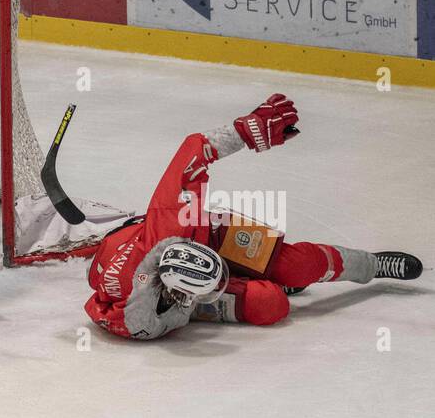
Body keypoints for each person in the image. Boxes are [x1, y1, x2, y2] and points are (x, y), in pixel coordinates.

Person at [84, 93, 422, 340]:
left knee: (298, 265)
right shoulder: (132, 317)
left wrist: (247, 130)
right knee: (270, 304)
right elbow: (117, 308)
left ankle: (371, 264)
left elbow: (194, 148)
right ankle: (276, 284)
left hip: (207, 235)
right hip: (166, 277)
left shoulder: (174, 219)